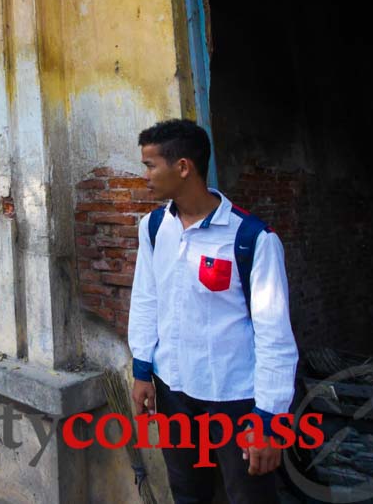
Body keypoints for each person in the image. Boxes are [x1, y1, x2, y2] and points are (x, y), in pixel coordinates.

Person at [127, 119, 298, 504]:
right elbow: (146, 299)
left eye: (151, 165)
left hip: (234, 400)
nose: (145, 176)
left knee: (249, 496)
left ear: (183, 167)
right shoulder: (153, 228)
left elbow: (275, 335)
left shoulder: (251, 238)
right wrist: (142, 370)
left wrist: (269, 419)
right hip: (173, 390)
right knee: (188, 493)